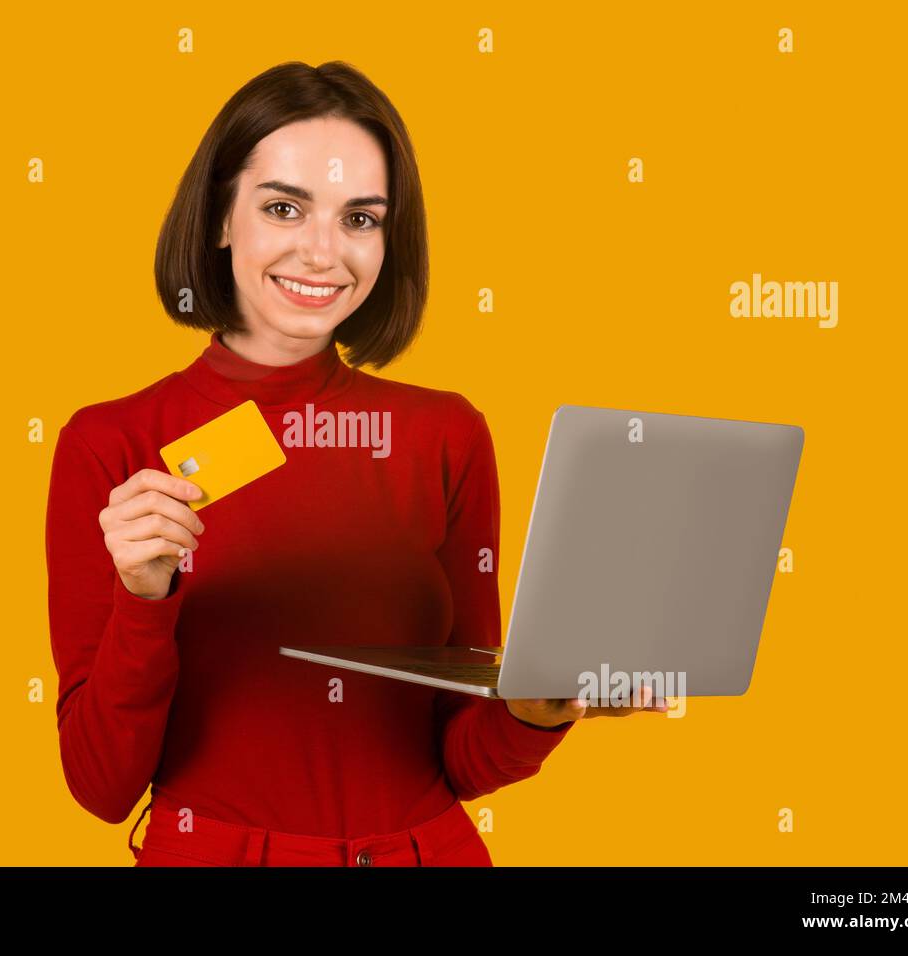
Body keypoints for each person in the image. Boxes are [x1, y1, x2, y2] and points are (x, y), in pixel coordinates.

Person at [45, 61, 665, 868]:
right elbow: (100, 786)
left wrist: (538, 711)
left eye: (361, 219)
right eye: (282, 208)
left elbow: (461, 758)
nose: (323, 253)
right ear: (221, 219)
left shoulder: (446, 434)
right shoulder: (113, 444)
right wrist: (143, 598)